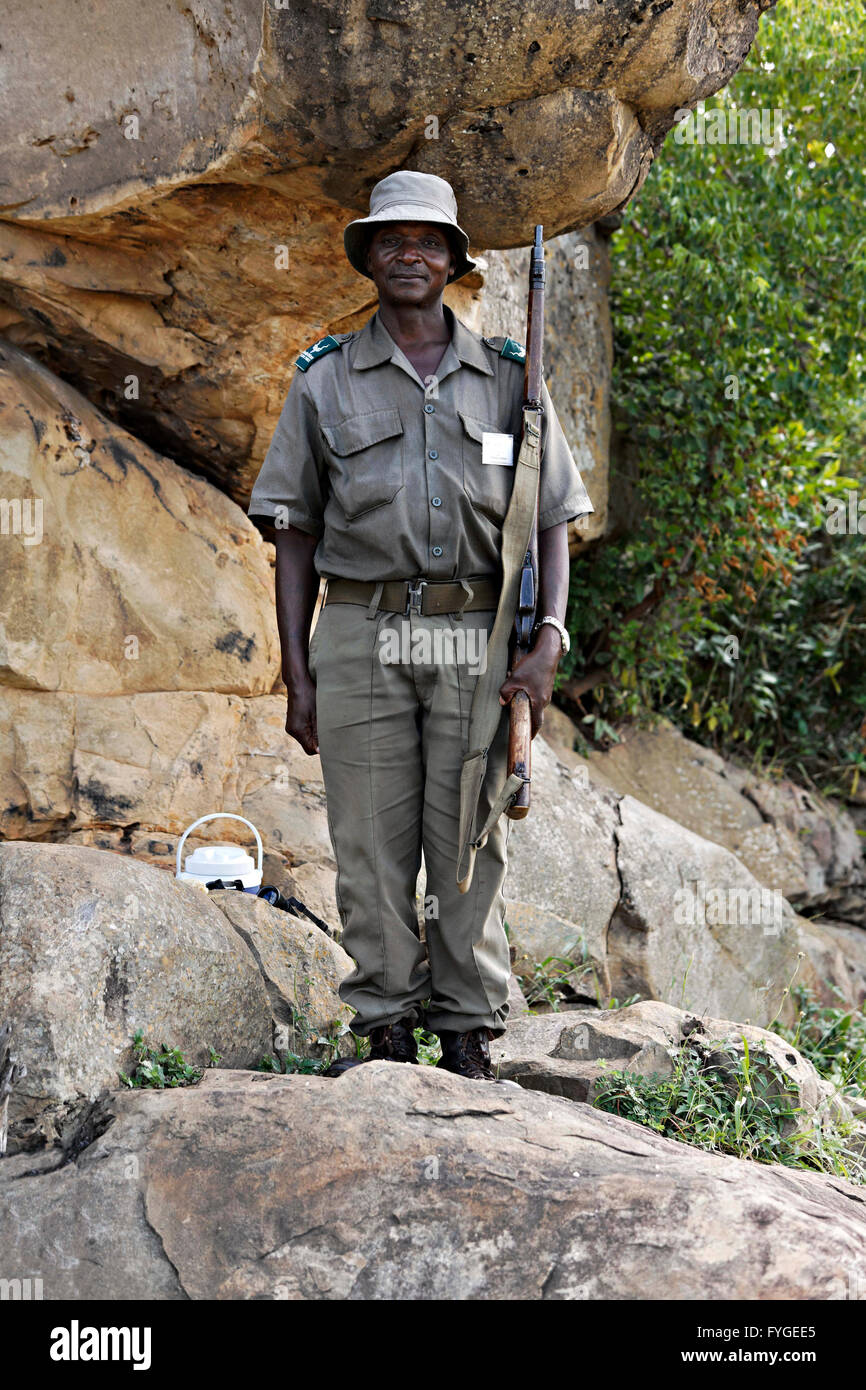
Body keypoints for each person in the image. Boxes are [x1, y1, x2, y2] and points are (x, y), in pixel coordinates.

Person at [248, 170, 592, 1081]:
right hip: (361, 631)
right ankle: (386, 1025)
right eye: (392, 239)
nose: (411, 253)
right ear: (369, 257)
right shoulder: (324, 382)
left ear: (453, 262)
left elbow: (552, 517)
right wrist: (297, 671)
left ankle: (467, 1029)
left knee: (469, 833)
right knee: (369, 842)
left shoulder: (513, 379)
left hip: (476, 638)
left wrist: (547, 638)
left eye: (429, 240)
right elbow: (294, 531)